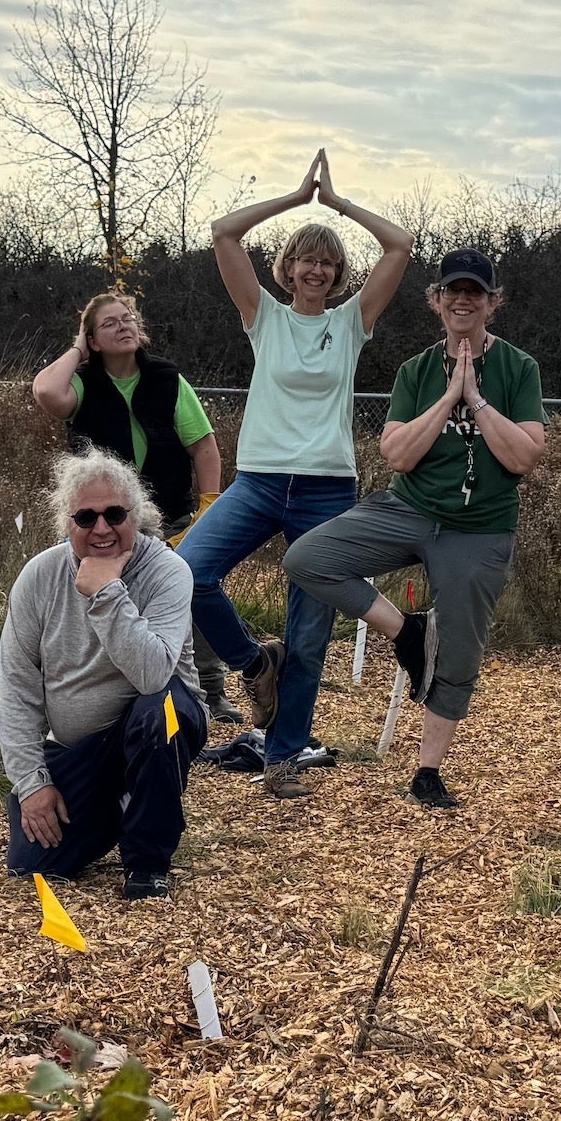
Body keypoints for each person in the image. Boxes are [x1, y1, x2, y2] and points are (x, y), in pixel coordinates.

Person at [183, 148, 415, 796]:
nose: (316, 268)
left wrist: (336, 203)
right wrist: (295, 196)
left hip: (325, 490)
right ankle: (255, 665)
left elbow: (400, 245)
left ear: (338, 274)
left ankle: (282, 759)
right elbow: (225, 233)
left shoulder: (351, 323)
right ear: (286, 267)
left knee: (311, 630)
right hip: (259, 482)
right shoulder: (265, 317)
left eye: (328, 261)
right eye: (305, 258)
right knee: (190, 571)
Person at [284, 248, 544, 810]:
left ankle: (427, 770)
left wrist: (475, 400)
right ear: (436, 301)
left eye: (475, 292)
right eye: (453, 291)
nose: (463, 300)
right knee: (307, 558)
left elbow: (524, 456)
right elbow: (397, 454)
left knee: (459, 654)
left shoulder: (519, 368)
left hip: (478, 528)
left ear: (493, 305)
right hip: (407, 511)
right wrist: (448, 396)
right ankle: (407, 631)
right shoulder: (416, 370)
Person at [0, 451, 208, 899]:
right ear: (66, 523)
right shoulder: (38, 576)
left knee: (160, 712)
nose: (101, 529)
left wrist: (107, 591)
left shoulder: (168, 571)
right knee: (32, 863)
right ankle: (127, 802)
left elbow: (153, 675)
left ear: (137, 515)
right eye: (86, 517)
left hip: (159, 720)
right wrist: (33, 784)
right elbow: (16, 689)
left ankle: (147, 861)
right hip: (81, 746)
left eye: (115, 514)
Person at [28, 290, 228, 718]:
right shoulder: (82, 383)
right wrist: (78, 350)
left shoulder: (168, 380)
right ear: (93, 340)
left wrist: (208, 506)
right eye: (110, 323)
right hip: (103, 520)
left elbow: (205, 447)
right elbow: (46, 391)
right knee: (105, 595)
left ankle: (210, 690)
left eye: (129, 318)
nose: (124, 326)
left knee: (192, 590)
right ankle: (108, 691)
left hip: (169, 515)